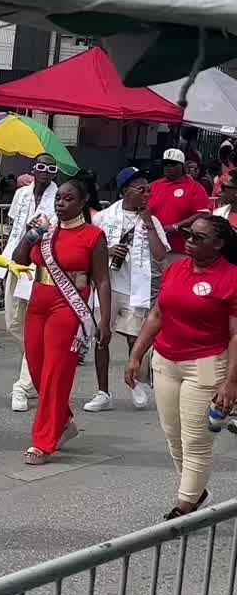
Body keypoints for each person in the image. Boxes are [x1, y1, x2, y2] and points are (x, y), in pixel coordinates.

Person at [126, 212, 237, 517]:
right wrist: (136, 354)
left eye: (198, 238)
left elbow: (235, 334)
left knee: (196, 440)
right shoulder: (176, 269)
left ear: (218, 245)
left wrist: (231, 382)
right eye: (188, 235)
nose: (188, 242)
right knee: (173, 435)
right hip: (165, 363)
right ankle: (197, 491)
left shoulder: (232, 278)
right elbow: (157, 315)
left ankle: (184, 505)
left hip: (205, 365)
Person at [13, 175, 111, 465]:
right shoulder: (47, 232)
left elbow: (102, 280)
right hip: (38, 302)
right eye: (59, 198)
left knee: (56, 372)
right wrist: (30, 235)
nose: (61, 203)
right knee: (36, 367)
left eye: (68, 198)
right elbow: (21, 260)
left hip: (68, 306)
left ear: (83, 203)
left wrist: (104, 320)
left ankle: (43, 442)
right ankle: (64, 421)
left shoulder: (93, 236)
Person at [84, 167, 169, 413]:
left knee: (135, 339)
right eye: (141, 189)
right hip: (108, 286)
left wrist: (149, 224)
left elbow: (160, 255)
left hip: (135, 289)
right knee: (102, 338)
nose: (147, 194)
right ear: (124, 191)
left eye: (148, 189)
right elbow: (88, 252)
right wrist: (108, 252)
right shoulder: (103, 218)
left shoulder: (151, 220)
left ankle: (134, 384)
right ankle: (103, 392)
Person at [0, 156, 60, 412]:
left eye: (51, 169)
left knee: (31, 322)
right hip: (15, 259)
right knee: (12, 323)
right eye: (41, 167)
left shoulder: (58, 197)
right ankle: (38, 361)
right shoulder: (21, 193)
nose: (46, 172)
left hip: (40, 265)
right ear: (33, 170)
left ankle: (22, 386)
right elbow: (13, 230)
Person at [148, 148, 210, 255]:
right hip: (151, 248)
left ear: (182, 166)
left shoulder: (195, 188)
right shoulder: (153, 186)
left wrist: (176, 226)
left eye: (172, 164)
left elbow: (202, 214)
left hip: (178, 249)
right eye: (165, 164)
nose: (168, 167)